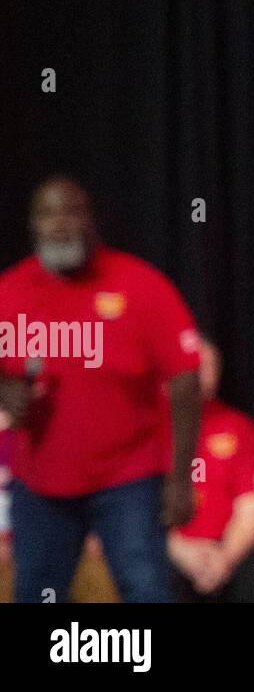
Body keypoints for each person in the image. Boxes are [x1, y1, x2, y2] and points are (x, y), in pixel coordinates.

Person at [0, 176, 201, 602]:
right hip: (39, 482)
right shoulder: (10, 291)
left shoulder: (139, 284)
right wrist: (5, 391)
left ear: (90, 220)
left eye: (70, 211)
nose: (59, 224)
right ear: (32, 223)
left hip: (127, 476)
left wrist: (181, 477)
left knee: (145, 589)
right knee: (36, 593)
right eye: (47, 213)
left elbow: (185, 380)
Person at [168, 336, 254, 601]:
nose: (199, 375)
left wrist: (225, 558)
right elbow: (131, 506)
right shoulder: (143, 426)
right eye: (192, 365)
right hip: (161, 551)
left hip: (227, 553)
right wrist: (179, 551)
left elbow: (252, 509)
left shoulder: (240, 428)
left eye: (209, 367)